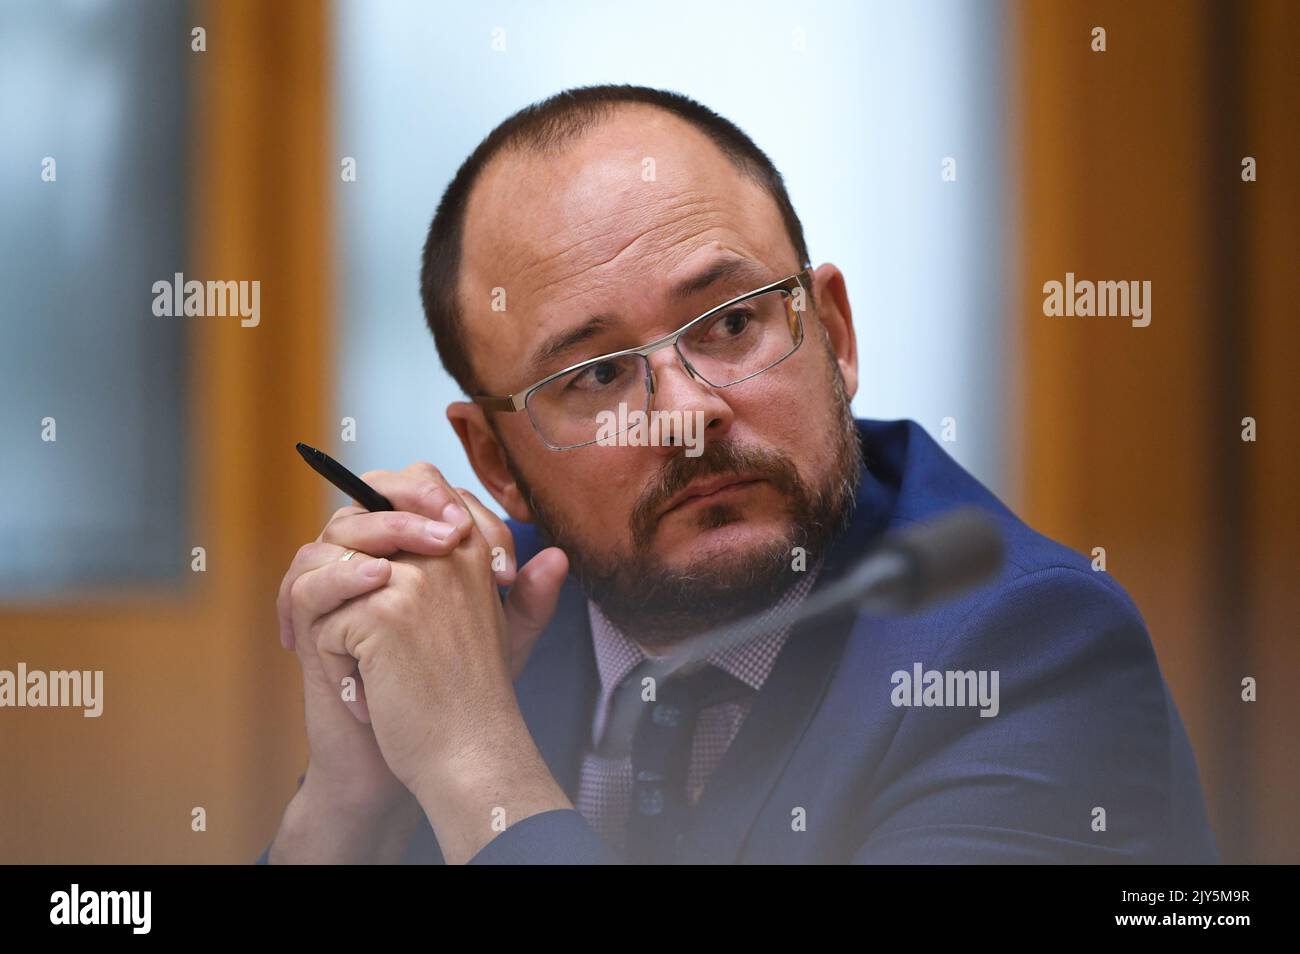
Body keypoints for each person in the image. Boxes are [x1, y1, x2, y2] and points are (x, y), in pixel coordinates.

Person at [258, 85, 1218, 864]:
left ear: (834, 337)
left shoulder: (1024, 653)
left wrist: (474, 763)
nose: (688, 414)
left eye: (730, 324)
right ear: (499, 463)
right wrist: (349, 808)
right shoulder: (488, 625)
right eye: (594, 375)